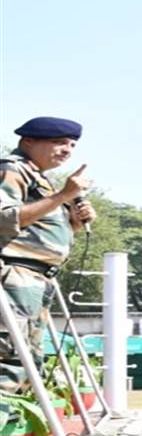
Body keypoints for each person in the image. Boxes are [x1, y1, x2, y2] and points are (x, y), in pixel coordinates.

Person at [0, 117, 94, 396]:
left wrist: (73, 221)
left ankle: (16, 432)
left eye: (72, 145)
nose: (67, 150)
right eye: (58, 142)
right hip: (15, 274)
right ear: (28, 141)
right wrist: (64, 195)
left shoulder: (41, 179)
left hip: (36, 279)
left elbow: (40, 232)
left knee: (29, 360)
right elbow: (4, 218)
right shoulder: (12, 169)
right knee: (10, 357)